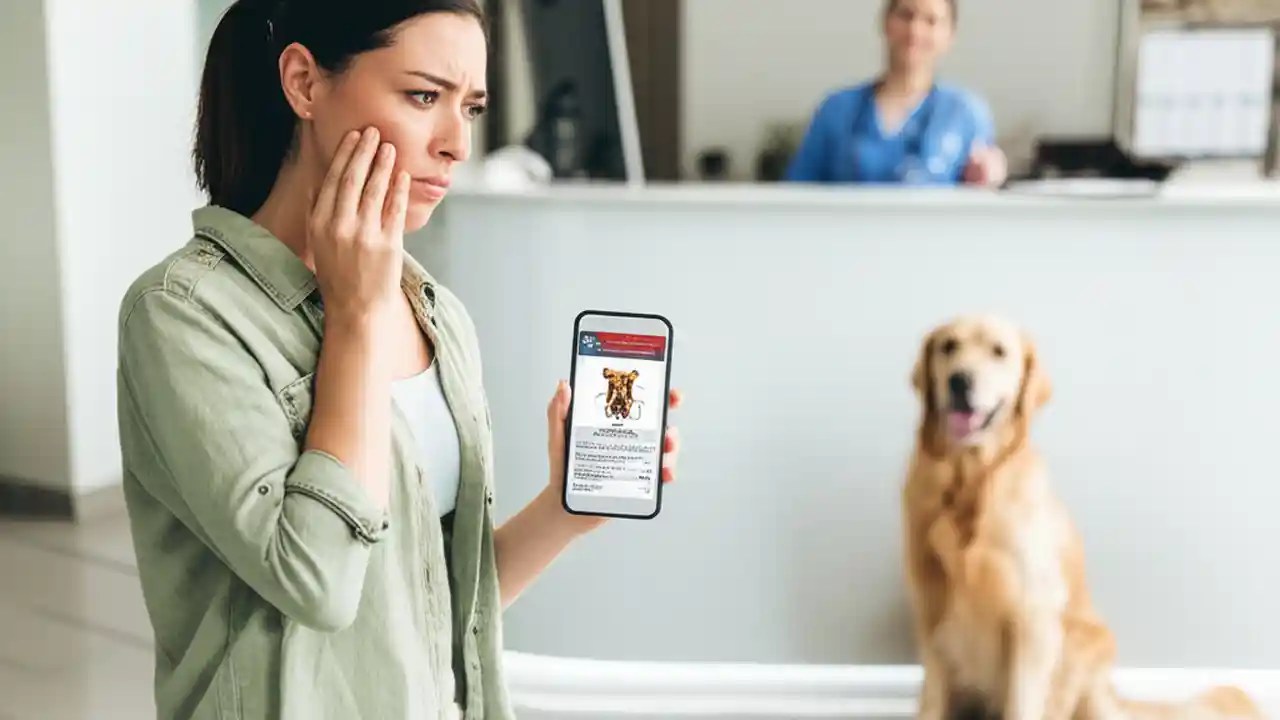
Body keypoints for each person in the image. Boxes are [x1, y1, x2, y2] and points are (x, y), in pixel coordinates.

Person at [114, 1, 683, 718]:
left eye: (471, 107)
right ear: (304, 83)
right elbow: (316, 582)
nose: (456, 144)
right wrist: (355, 319)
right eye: (423, 96)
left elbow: (428, 608)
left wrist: (566, 510)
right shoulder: (183, 314)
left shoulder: (436, 311)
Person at [784, 0, 1007, 187]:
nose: (915, 30)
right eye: (906, 15)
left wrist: (988, 177)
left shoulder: (965, 113)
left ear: (950, 35)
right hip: (846, 237)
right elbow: (797, 193)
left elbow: (981, 195)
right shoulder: (837, 109)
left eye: (931, 21)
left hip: (934, 238)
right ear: (885, 22)